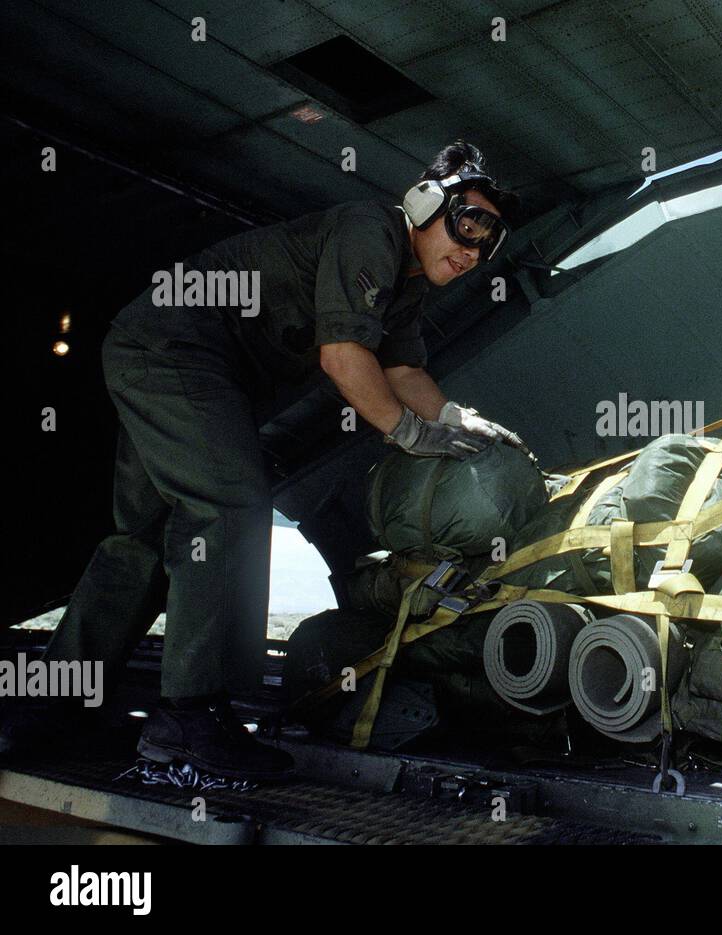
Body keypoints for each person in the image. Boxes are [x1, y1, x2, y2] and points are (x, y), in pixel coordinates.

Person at [0, 141, 523, 779]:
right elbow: (343, 357)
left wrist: (453, 419)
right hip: (178, 349)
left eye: (485, 246)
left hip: (164, 352)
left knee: (141, 540)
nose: (471, 252)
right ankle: (190, 720)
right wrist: (407, 432)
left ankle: (46, 707)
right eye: (466, 227)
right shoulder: (370, 230)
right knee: (230, 506)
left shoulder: (404, 284)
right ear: (423, 203)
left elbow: (402, 366)